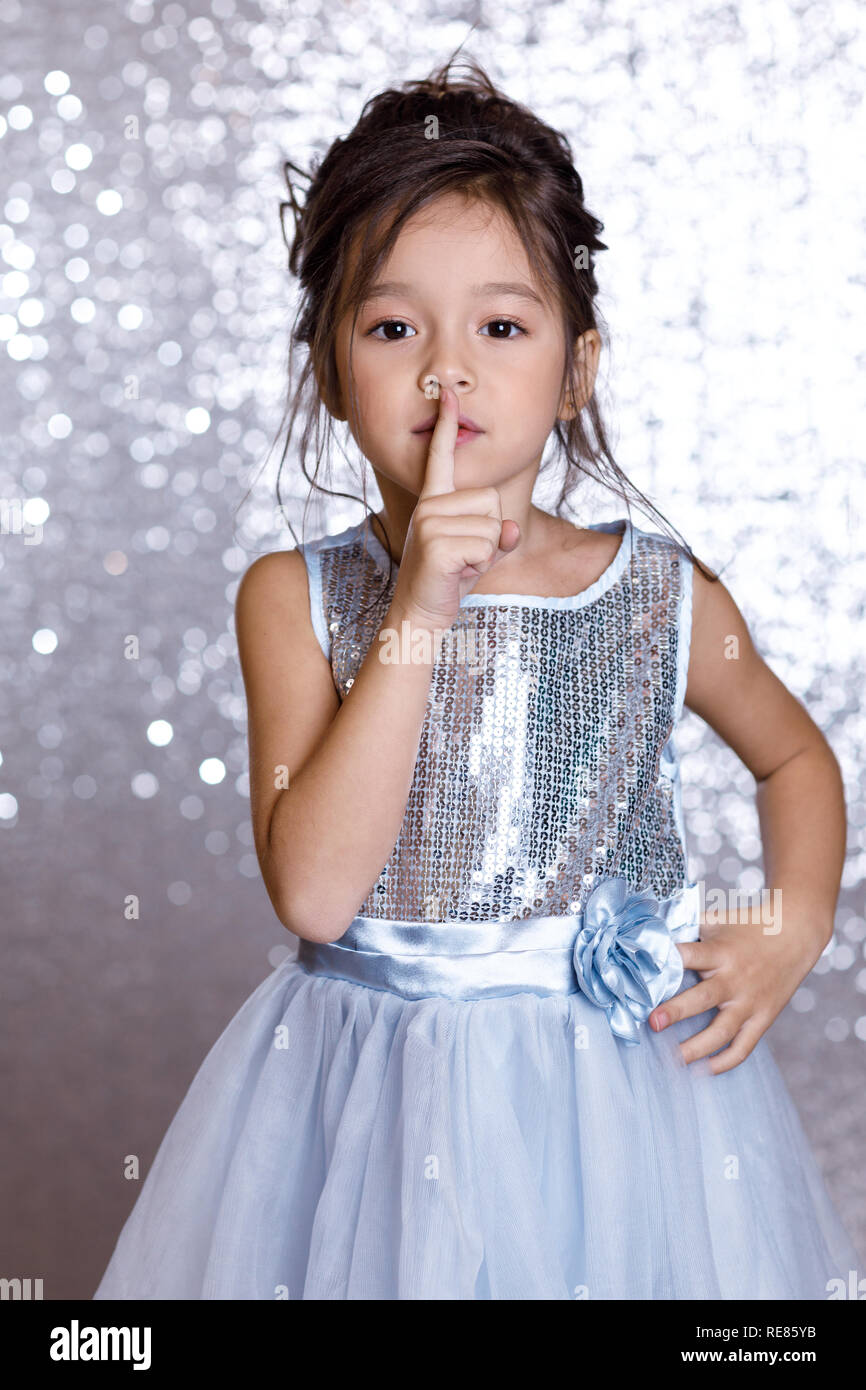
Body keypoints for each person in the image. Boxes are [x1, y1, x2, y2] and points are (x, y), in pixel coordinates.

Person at [93, 55, 863, 1300]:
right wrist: (417, 607)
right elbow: (317, 896)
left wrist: (795, 920)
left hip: (613, 1117)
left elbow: (793, 757)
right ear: (333, 374)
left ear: (573, 369)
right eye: (394, 328)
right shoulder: (293, 601)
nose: (446, 374)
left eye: (498, 329)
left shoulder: (655, 596)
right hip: (366, 1102)